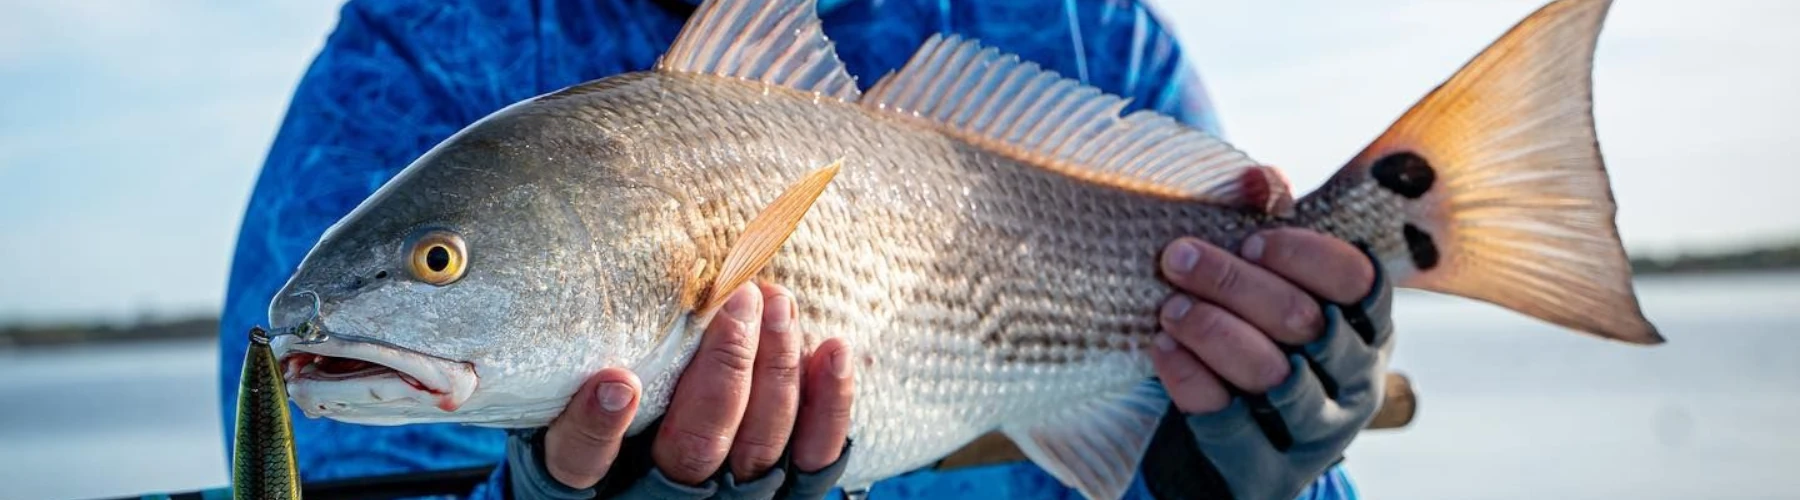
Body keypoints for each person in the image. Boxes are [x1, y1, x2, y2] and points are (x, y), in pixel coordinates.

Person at [218, 0, 1393, 498]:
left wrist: (1244, 474)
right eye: (443, 261)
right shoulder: (426, 43)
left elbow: (1262, 386)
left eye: (437, 262)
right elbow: (308, 459)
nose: (432, 271)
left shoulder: (1082, 22)